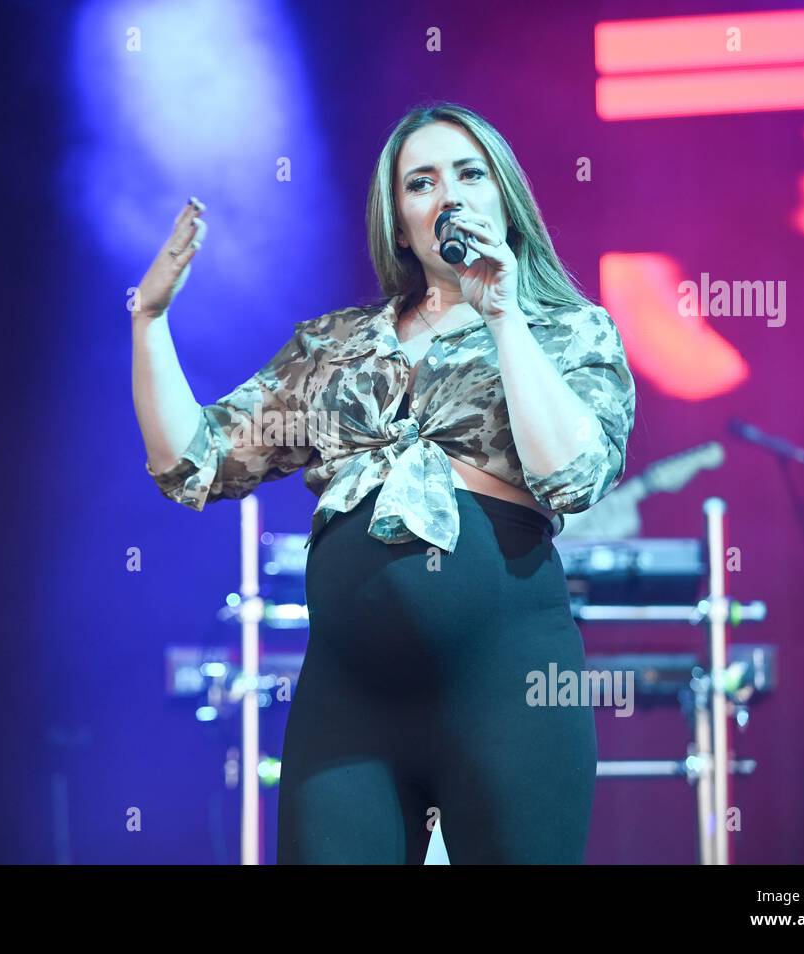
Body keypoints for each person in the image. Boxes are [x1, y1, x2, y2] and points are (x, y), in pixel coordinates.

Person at [132, 102, 636, 864]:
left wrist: (501, 316)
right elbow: (191, 463)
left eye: (470, 175)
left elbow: (572, 475)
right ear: (401, 223)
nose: (450, 196)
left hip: (506, 687)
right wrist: (149, 321)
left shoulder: (568, 328)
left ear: (503, 195)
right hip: (349, 701)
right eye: (421, 183)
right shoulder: (333, 346)